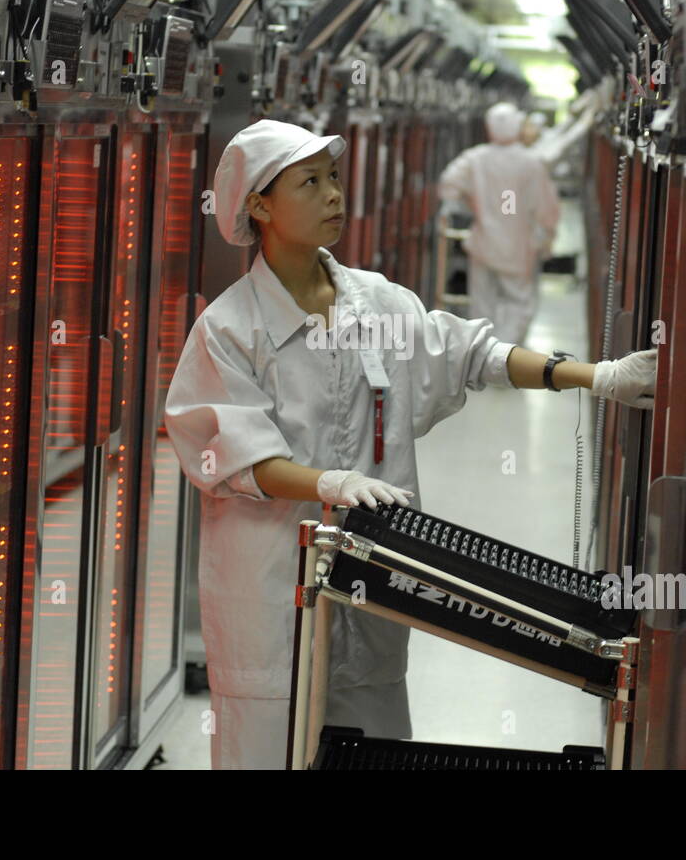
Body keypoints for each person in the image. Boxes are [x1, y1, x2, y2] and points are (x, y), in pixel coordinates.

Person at [163, 118, 659, 769]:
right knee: (268, 745)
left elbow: (470, 353)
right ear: (258, 204)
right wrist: (327, 484)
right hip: (269, 595)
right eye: (308, 183)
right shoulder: (229, 329)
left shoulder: (377, 304)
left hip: (373, 585)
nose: (333, 195)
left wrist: (595, 376)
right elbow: (227, 453)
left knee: (372, 746)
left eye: (334, 177)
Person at [437, 102, 561, 347]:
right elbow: (547, 207)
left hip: (483, 243)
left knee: (481, 304)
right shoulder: (530, 162)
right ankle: (504, 359)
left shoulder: (475, 158)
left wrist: (473, 201)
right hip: (518, 246)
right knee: (518, 302)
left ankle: (481, 355)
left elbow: (447, 185)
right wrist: (548, 233)